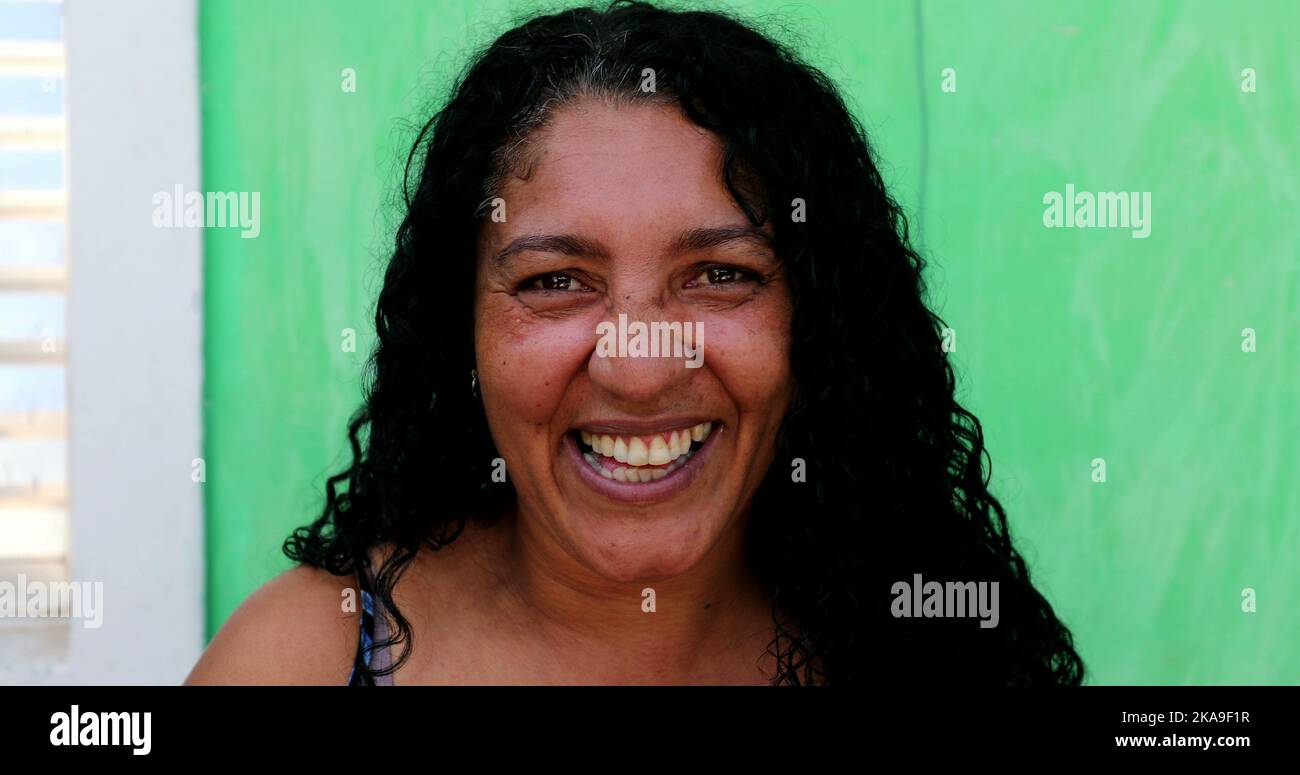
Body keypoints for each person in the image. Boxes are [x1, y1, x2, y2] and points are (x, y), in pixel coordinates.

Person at [186, 0, 1084, 686]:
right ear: (458, 332)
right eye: (554, 282)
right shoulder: (301, 660)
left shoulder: (932, 646)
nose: (643, 366)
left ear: (821, 321)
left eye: (720, 273)